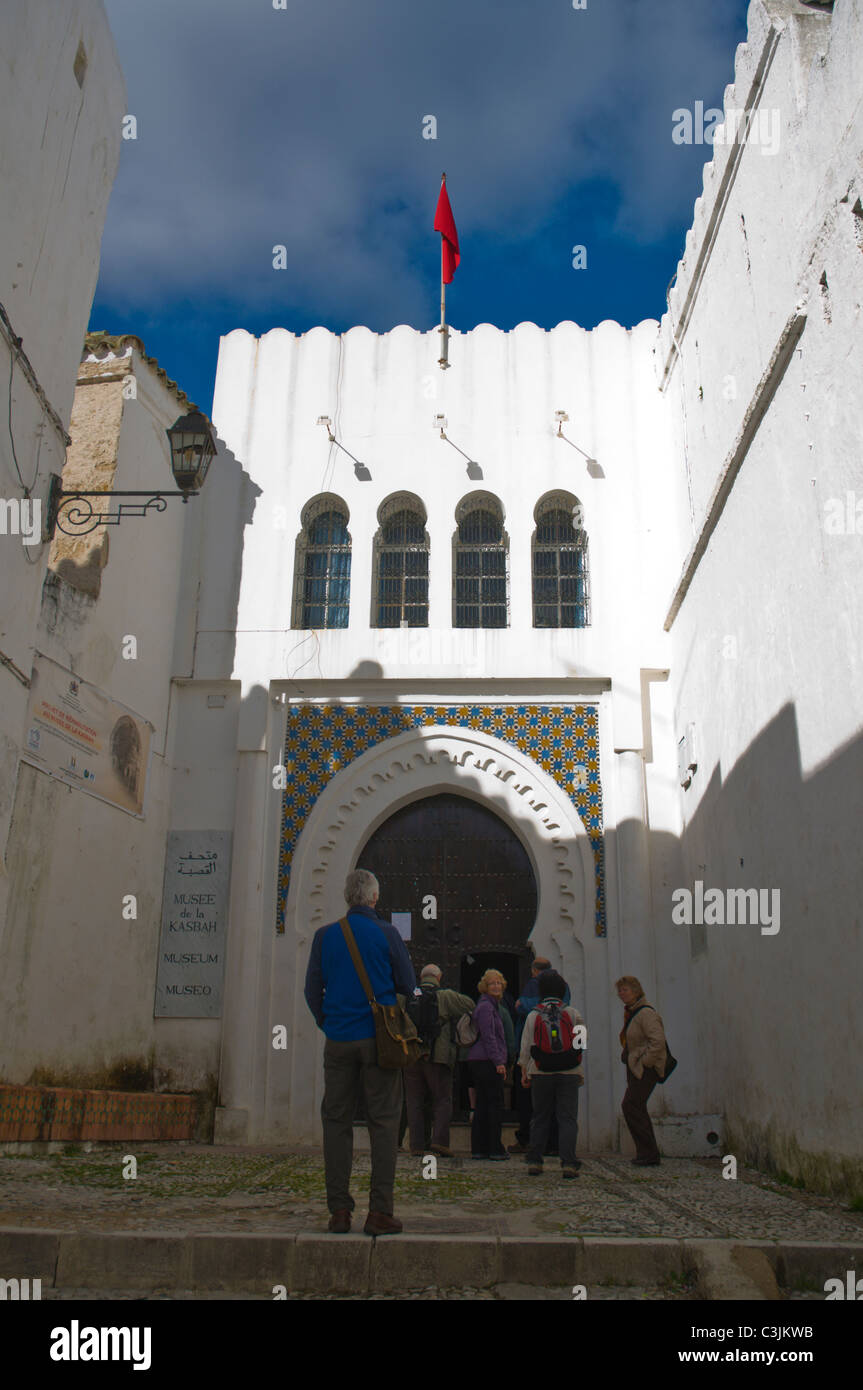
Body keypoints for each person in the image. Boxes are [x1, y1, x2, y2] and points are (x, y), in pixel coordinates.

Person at [304, 868, 416, 1234]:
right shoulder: (388, 933)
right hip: (378, 1041)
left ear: (347, 897)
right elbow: (407, 984)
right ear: (373, 898)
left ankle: (339, 1211)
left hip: (338, 1040)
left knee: (336, 1122)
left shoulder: (325, 936)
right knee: (384, 1122)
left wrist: (330, 1023)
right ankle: (380, 1211)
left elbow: (311, 990)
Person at [519, 970, 584, 1179]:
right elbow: (582, 1044)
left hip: (540, 1071)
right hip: (569, 1072)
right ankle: (569, 1163)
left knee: (540, 1117)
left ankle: (536, 1161)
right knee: (567, 1118)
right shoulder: (574, 1014)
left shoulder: (533, 1015)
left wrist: (524, 1071)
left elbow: (526, 1046)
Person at [404, 965, 474, 1157]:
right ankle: (440, 1142)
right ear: (439, 977)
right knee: (442, 1099)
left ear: (421, 976)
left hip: (412, 1055)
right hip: (438, 1055)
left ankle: (417, 1145)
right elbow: (470, 1005)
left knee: (414, 1100)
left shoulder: (411, 994)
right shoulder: (445, 995)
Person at [509, 957, 570, 1154]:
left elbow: (526, 1039)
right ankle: (559, 1148)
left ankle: (532, 1147)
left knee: (533, 1103)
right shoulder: (571, 1012)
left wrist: (522, 1064)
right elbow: (580, 1039)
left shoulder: (534, 1007)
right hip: (563, 1062)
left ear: (535, 971)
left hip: (537, 1060)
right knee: (561, 1108)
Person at [617, 974, 667, 1167]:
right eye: (620, 990)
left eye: (625, 990)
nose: (622, 994)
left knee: (631, 1105)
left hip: (645, 1069)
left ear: (636, 991)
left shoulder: (645, 1013)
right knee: (636, 1106)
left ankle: (649, 1153)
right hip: (636, 1067)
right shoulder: (632, 1012)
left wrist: (646, 1062)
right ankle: (647, 1153)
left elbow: (658, 1040)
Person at [467, 969, 510, 1160]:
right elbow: (489, 1036)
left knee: (484, 1104)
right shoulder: (486, 1007)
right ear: (485, 986)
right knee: (493, 1104)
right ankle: (493, 1148)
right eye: (492, 983)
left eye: (498, 983)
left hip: (483, 1060)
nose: (496, 986)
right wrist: (498, 1062)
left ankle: (481, 1147)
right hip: (486, 1061)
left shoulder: (491, 1006)